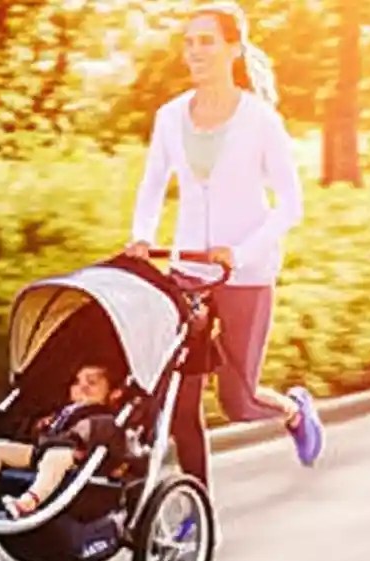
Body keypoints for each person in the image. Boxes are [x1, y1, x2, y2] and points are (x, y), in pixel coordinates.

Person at [125, 1, 326, 490]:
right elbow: (153, 185)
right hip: (188, 272)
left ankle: (295, 410)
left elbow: (291, 204)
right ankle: (197, 509)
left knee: (238, 403)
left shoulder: (260, 120)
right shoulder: (170, 117)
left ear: (232, 48)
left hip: (246, 275)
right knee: (181, 402)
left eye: (206, 41)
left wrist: (243, 252)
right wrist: (142, 235)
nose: (194, 51)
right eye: (189, 41)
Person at [0, 364, 124, 519]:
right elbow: (39, 433)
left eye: (92, 382)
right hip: (41, 450)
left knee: (56, 457)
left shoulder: (103, 415)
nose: (82, 386)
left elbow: (107, 437)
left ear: (114, 393)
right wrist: (40, 426)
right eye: (77, 382)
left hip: (74, 456)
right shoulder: (63, 411)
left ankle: (28, 502)